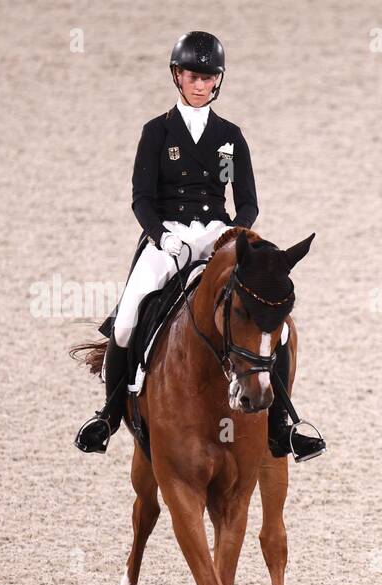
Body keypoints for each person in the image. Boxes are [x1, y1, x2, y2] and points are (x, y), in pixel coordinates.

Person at [75, 31, 324, 461]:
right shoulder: (157, 132)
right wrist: (163, 236)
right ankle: (109, 414)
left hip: (217, 237)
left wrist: (230, 235)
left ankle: (283, 426)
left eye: (208, 77)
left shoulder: (230, 138)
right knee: (126, 319)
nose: (199, 84)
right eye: (192, 75)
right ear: (177, 75)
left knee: (275, 324)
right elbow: (141, 198)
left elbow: (246, 201)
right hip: (166, 238)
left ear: (217, 82)